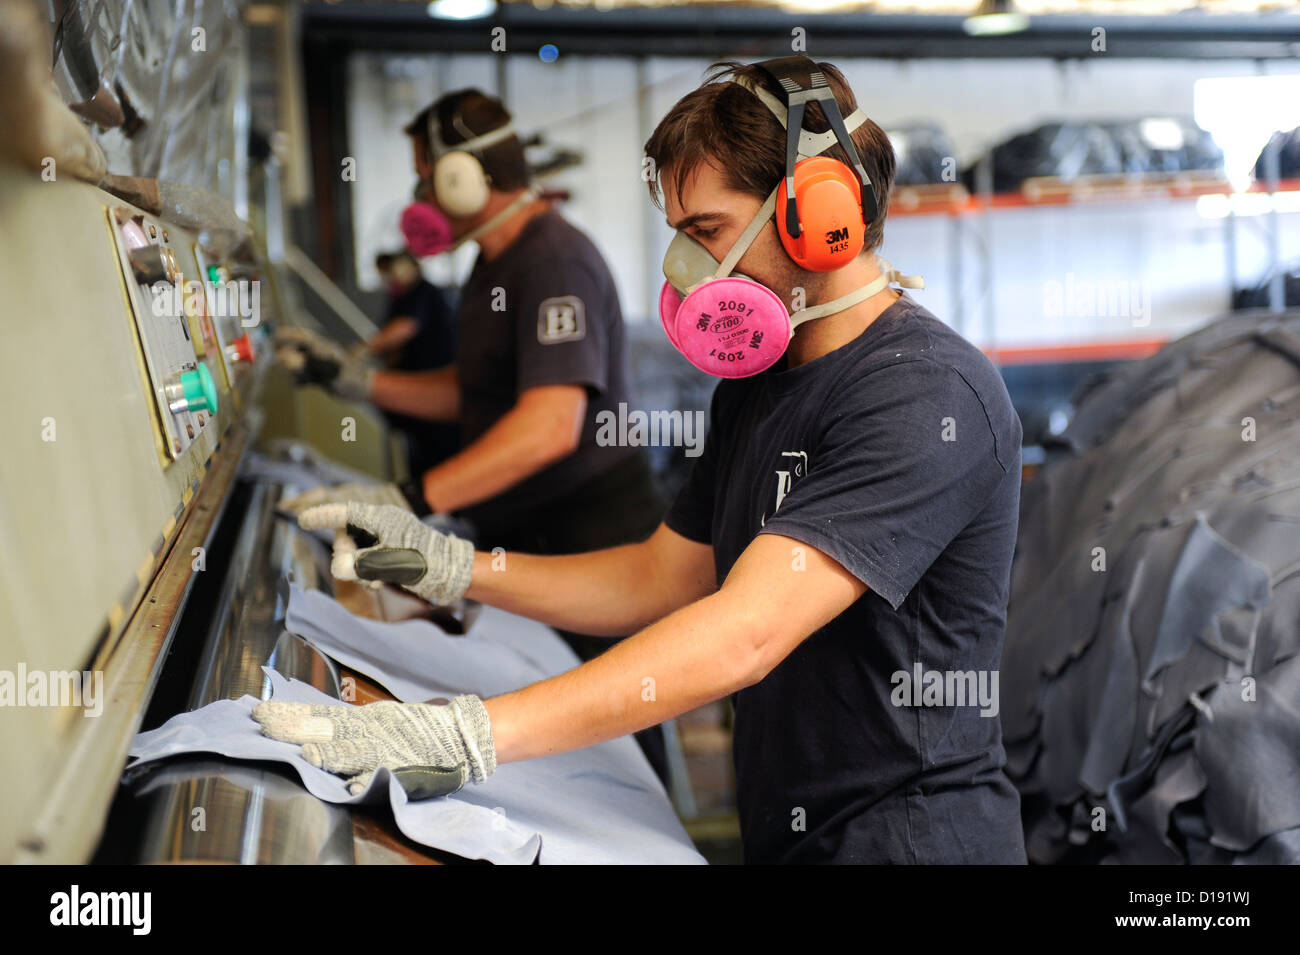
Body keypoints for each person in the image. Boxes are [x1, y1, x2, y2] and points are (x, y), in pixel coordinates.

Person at [257, 57, 1027, 863]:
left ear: (817, 216)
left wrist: (466, 731)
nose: (685, 270)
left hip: (910, 840)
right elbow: (660, 578)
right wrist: (453, 564)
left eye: (706, 232)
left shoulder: (926, 394)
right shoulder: (760, 383)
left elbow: (743, 634)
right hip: (793, 821)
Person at [276, 89, 671, 783]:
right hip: (528, 533)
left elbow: (549, 425)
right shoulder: (495, 263)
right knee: (551, 729)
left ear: (462, 176)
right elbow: (474, 390)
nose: (422, 195)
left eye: (425, 176)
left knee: (611, 740)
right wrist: (355, 382)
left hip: (588, 537)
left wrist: (408, 495)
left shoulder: (555, 261)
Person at [369, 250, 459, 474]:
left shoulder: (423, 292)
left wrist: (363, 350)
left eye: (389, 272)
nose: (388, 278)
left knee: (436, 451)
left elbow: (404, 328)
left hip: (432, 385)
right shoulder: (402, 296)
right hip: (416, 384)